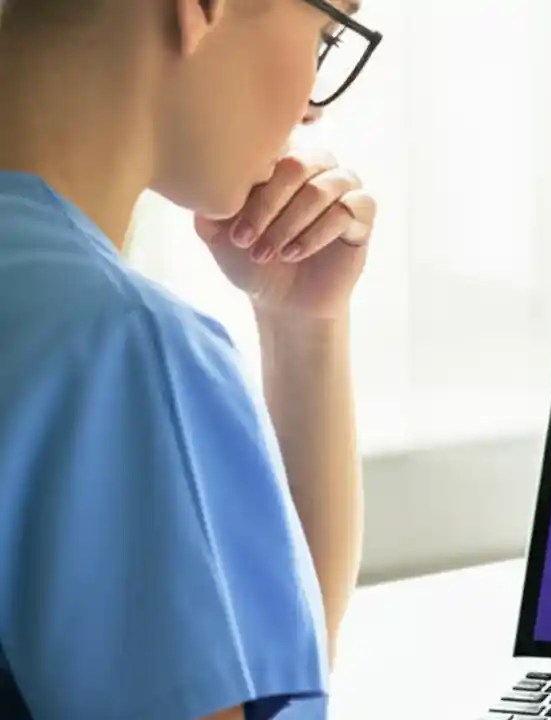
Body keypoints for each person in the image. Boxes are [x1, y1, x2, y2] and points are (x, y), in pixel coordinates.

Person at [0, 1, 382, 718]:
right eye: (326, 36)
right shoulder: (118, 347)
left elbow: (244, 669)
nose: (312, 109)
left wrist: (303, 323)